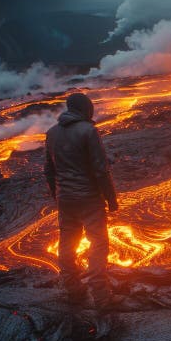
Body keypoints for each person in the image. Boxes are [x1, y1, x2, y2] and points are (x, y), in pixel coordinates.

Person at [44, 92, 119, 308]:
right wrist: (111, 199)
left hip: (66, 200)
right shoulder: (88, 131)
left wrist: (56, 195)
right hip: (89, 199)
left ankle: (73, 290)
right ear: (86, 109)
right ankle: (102, 296)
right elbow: (101, 170)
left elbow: (48, 170)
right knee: (98, 244)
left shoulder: (52, 133)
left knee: (67, 244)